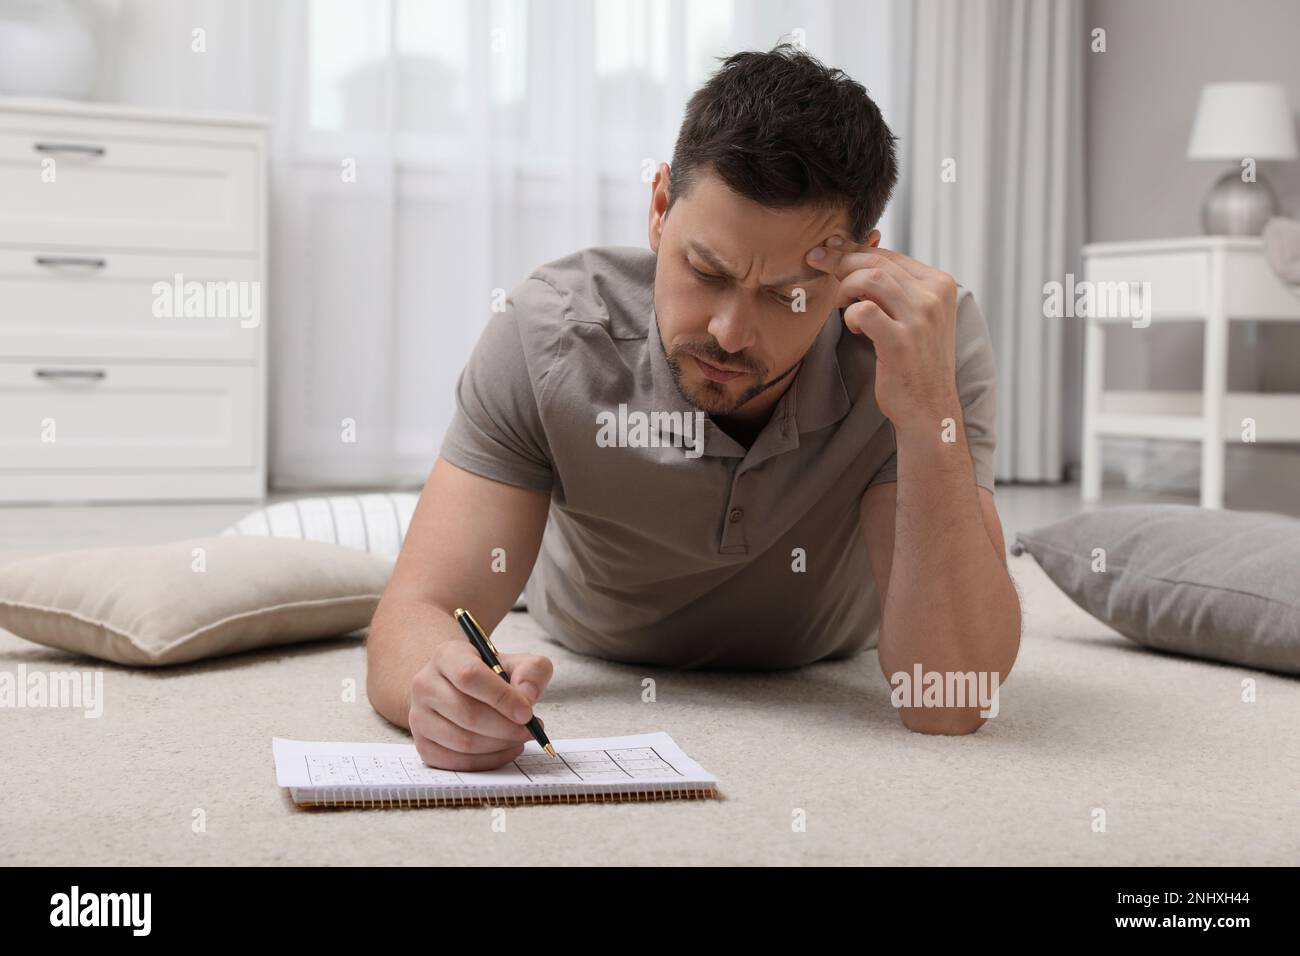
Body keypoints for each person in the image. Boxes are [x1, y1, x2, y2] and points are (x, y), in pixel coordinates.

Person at [367, 44, 1021, 771]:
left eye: (786, 295)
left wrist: (926, 406)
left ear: (854, 266)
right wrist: (440, 686)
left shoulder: (923, 341)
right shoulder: (546, 333)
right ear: (657, 212)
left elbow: (950, 700)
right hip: (592, 632)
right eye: (705, 271)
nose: (730, 333)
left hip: (832, 645)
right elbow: (415, 616)